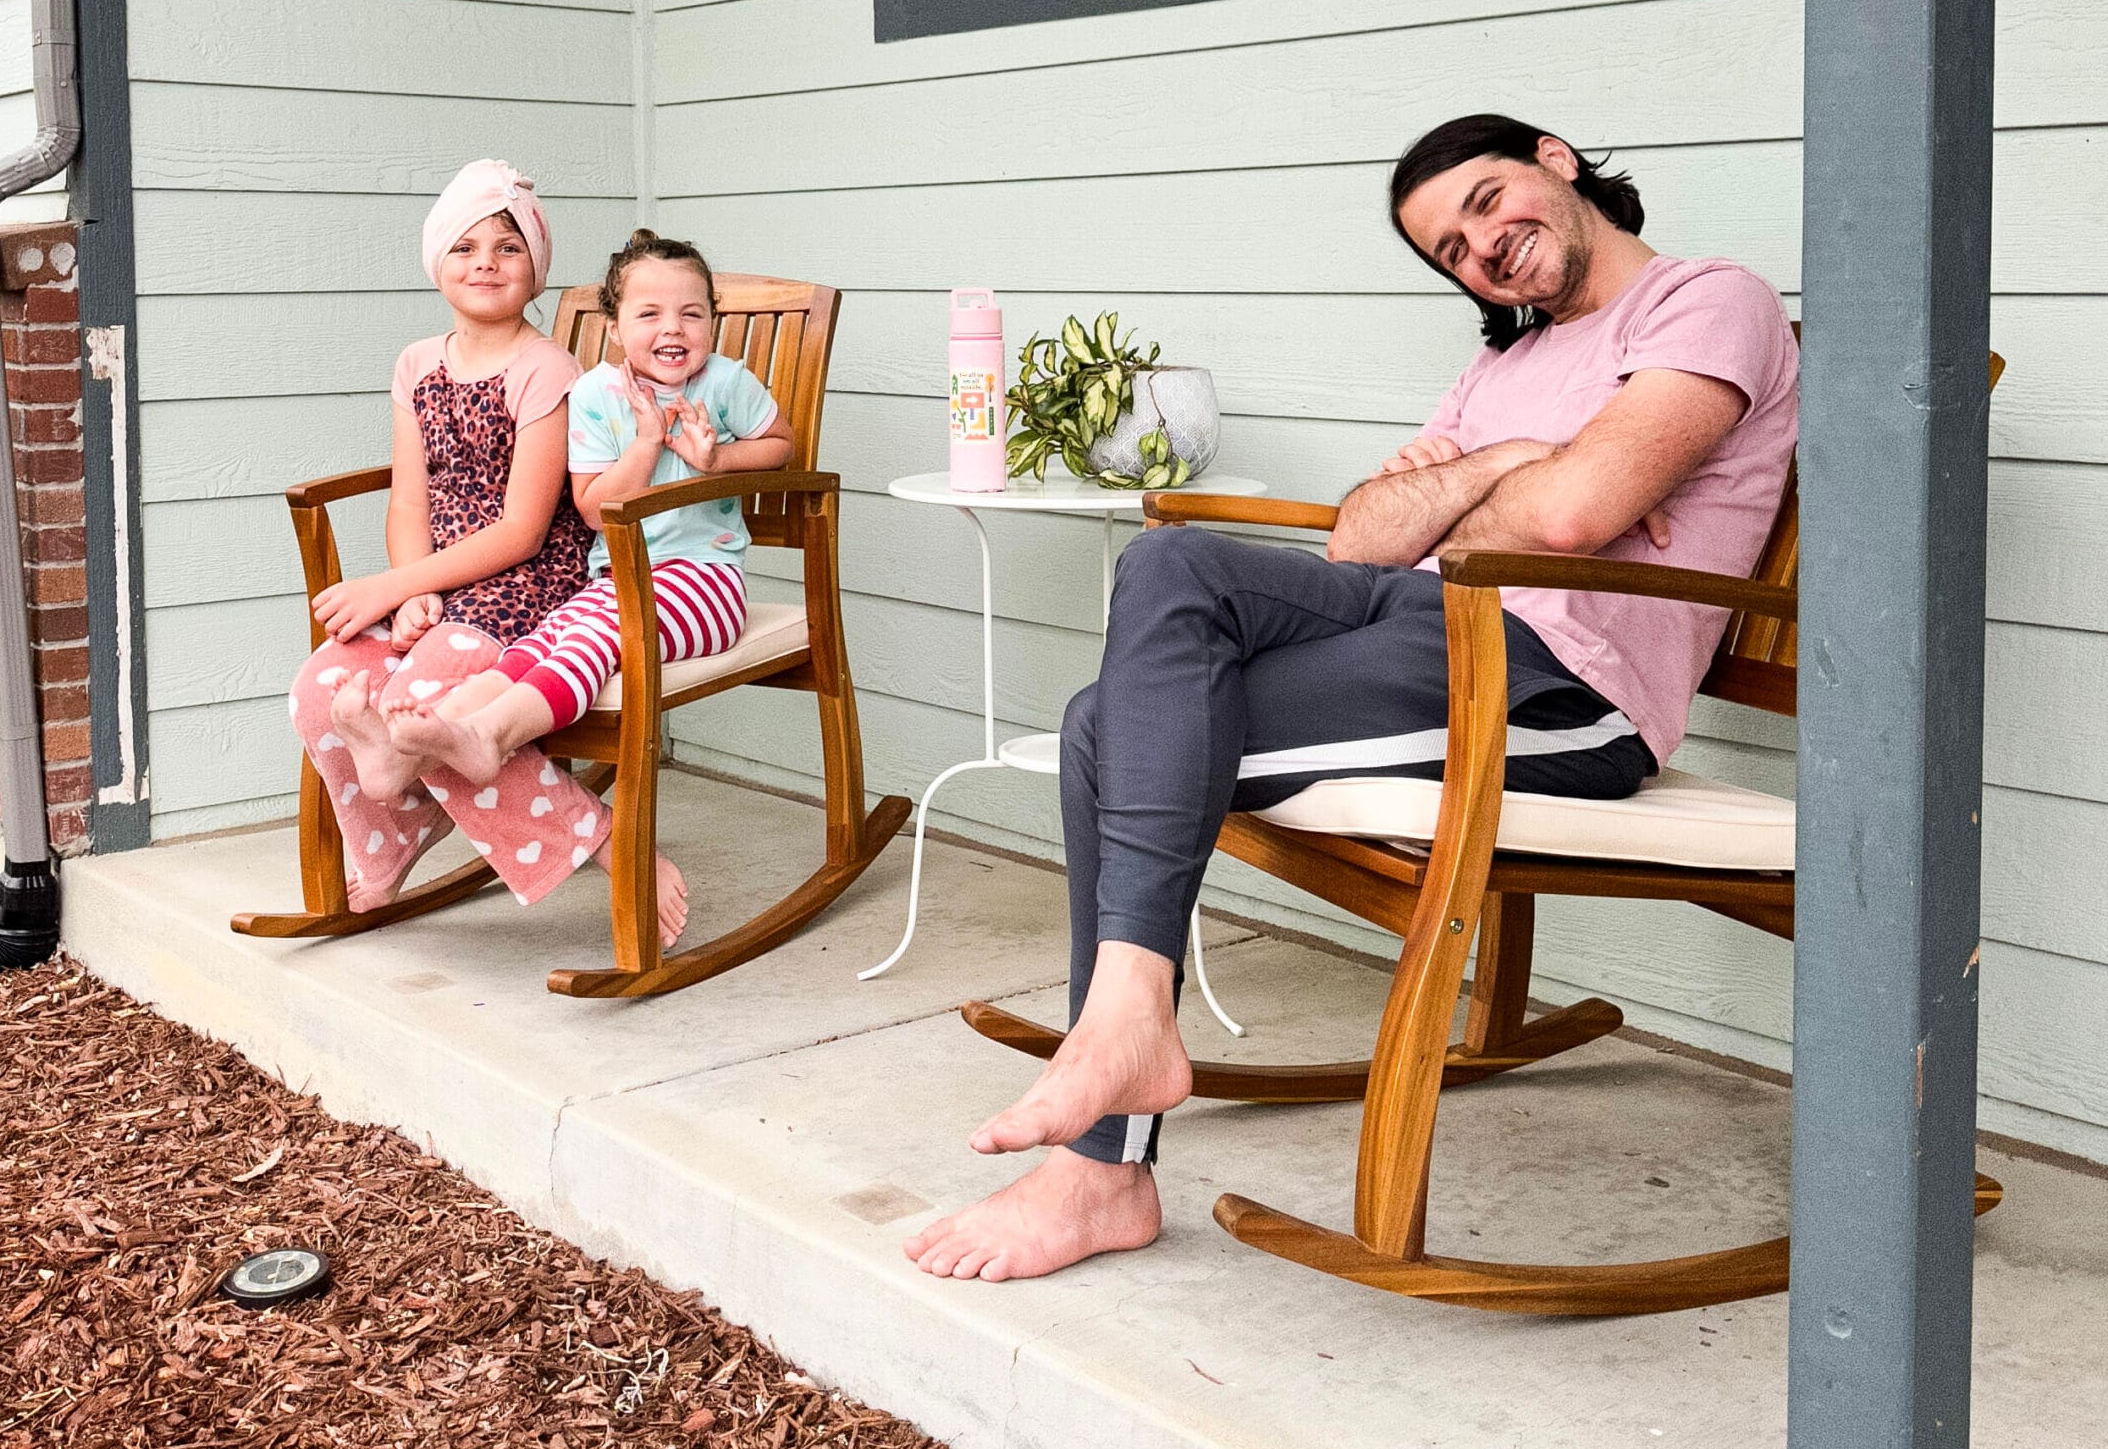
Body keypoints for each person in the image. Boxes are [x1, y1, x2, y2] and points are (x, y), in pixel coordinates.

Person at [906, 114, 1799, 1283]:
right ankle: (1128, 1029)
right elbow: (1359, 537)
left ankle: (1099, 1160)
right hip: (1413, 622)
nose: (1482, 248)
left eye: (1488, 201)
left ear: (1555, 159)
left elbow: (1577, 516)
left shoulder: (1705, 300)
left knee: (1100, 728)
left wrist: (1503, 489)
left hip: (1552, 685)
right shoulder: (1505, 363)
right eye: (1450, 249)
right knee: (1172, 566)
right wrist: (1508, 462)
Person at [335, 228, 792, 950]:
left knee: (592, 630)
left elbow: (782, 446)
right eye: (649, 314)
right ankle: (422, 747)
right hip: (617, 583)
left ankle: (482, 736)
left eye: (692, 314)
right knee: (548, 642)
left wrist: (722, 457)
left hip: (705, 584)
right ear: (616, 329)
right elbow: (592, 507)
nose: (672, 328)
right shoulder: (601, 396)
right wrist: (646, 444)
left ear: (713, 322)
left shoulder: (727, 383)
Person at [286, 160, 602, 911]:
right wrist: (414, 589)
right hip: (435, 584)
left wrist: (400, 588)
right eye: (464, 247)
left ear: (535, 268)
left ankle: (602, 840)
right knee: (321, 688)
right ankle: (388, 838)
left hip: (527, 592)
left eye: (508, 246)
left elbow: (525, 532)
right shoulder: (416, 365)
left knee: (414, 705)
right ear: (437, 264)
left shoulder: (548, 369)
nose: (486, 262)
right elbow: (409, 502)